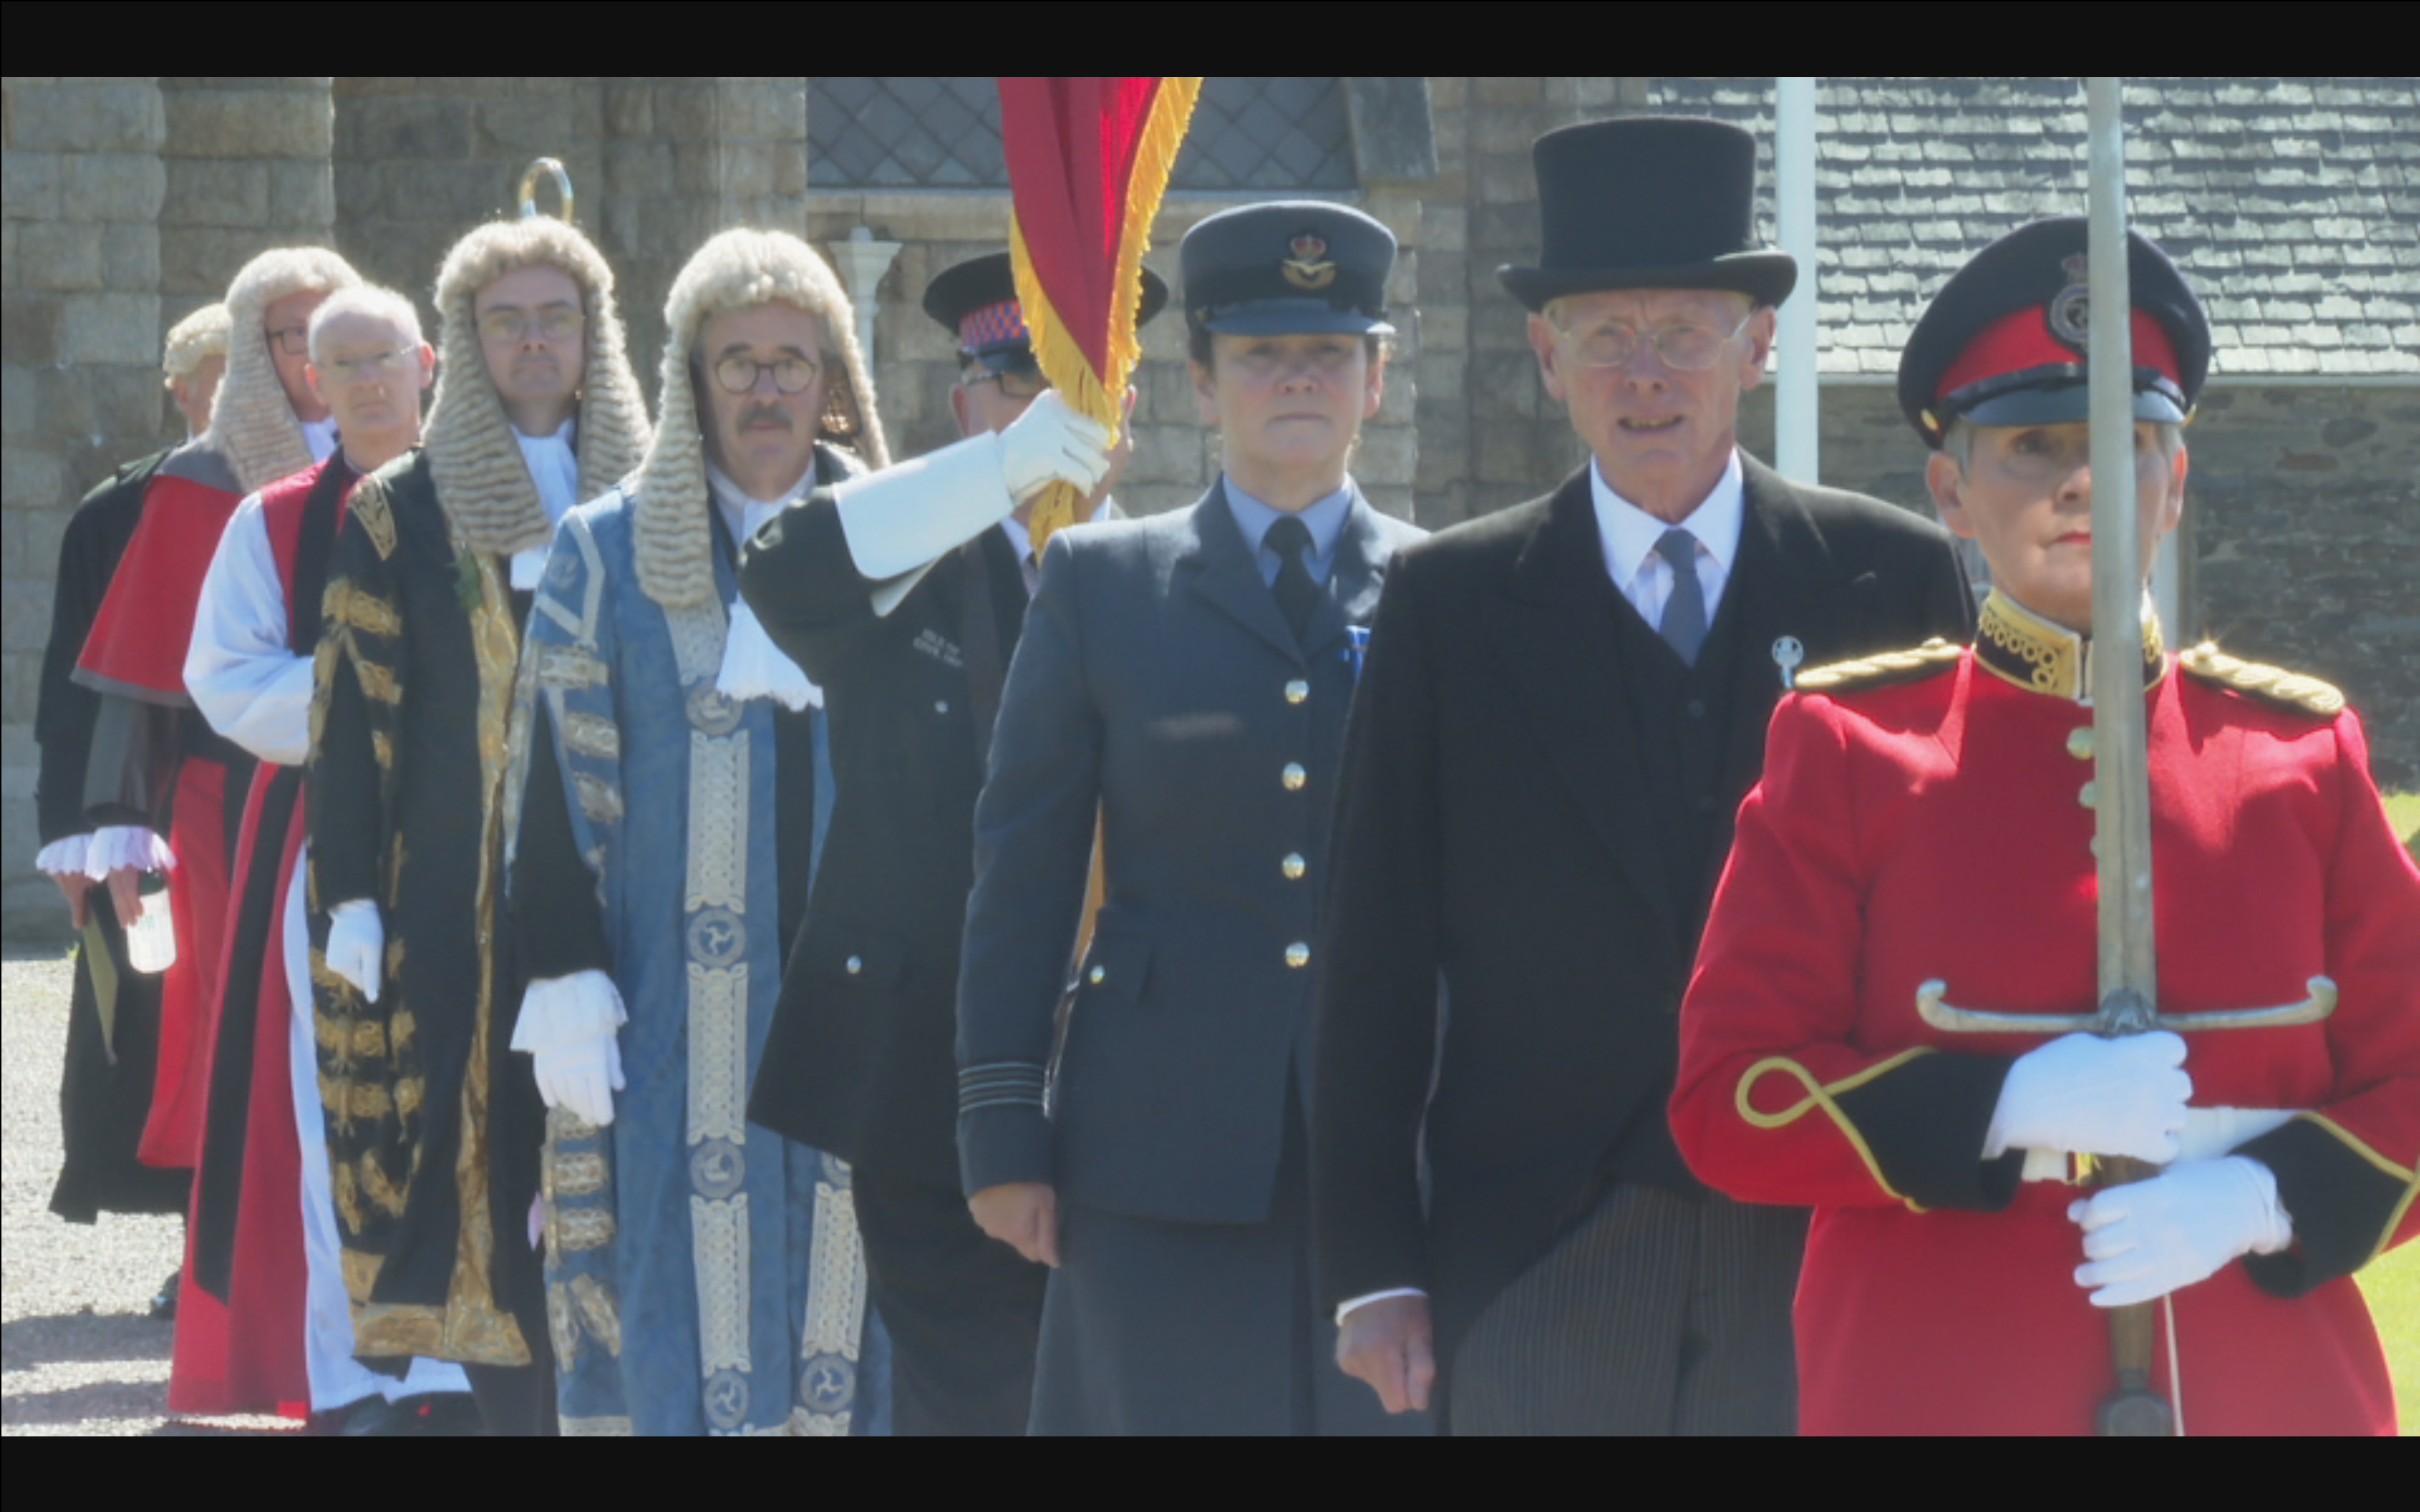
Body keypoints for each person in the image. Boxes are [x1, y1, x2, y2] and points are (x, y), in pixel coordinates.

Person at [1668, 215, 2420, 1436]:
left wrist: (2264, 1199)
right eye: (2030, 446)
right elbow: (1730, 1099)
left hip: (2270, 1393)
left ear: (2175, 484)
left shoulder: (2296, 756)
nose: (2082, 481)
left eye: (2124, 443)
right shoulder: (1855, 752)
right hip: (1941, 1393)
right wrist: (2002, 1110)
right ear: (1950, 492)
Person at [1309, 117, 1978, 1435]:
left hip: (1821, 1218)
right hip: (1541, 1234)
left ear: (1758, 345)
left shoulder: (1888, 579)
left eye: (1685, 329)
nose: (1647, 372)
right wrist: (1375, 1270)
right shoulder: (1448, 601)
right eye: (1605, 334)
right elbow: (1369, 954)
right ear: (1546, 355)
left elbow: (1951, 916)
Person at [951, 202, 1430, 1436]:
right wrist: (1002, 1127)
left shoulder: (1446, 590)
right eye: (1261, 354)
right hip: (1153, 1147)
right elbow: (1025, 868)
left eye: (1329, 353)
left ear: (1376, 380)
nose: (1297, 380)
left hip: (1387, 1146)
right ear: (1202, 384)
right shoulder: (1103, 585)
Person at [736, 249, 1161, 1436]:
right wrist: (1000, 475)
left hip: (1130, 1068)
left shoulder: (1171, 574)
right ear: (964, 403)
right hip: (923, 1070)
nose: (1054, 412)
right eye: (1017, 384)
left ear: (1130, 407)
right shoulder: (908, 567)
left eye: (1085, 383)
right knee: (972, 1399)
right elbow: (784, 569)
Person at [506, 226, 890, 1436]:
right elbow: (547, 775)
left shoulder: (899, 537)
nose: (767, 387)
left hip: (864, 992)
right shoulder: (605, 550)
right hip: (669, 1000)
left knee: (864, 1288)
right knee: (667, 1270)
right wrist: (561, 971)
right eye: (738, 362)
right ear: (691, 377)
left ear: (834, 381)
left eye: (792, 360)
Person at [308, 215, 650, 1434]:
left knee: (635, 1136)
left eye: (556, 316)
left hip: (640, 880)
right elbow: (347, 709)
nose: (534, 340)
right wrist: (350, 887)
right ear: (468, 339)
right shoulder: (403, 507)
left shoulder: (660, 488)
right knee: (495, 1166)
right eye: (507, 320)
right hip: (462, 896)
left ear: (593, 331)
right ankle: (519, 1408)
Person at [183, 284, 478, 1433]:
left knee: (466, 1082)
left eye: (381, 359)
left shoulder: (488, 496)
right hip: (322, 835)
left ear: (427, 362)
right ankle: (354, 1372)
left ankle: (460, 1365)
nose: (361, 382)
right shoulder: (270, 520)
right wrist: (371, 715)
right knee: (333, 1104)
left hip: (474, 826)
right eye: (335, 362)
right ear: (310, 375)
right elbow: (221, 676)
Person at [74, 248, 361, 1415]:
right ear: (253, 352)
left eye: (322, 331)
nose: (306, 356)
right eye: (284, 336)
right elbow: (146, 678)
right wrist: (105, 827)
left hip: (396, 798)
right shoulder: (203, 485)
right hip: (236, 801)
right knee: (240, 1059)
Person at [37, 303, 230, 1270]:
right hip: (139, 818)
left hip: (238, 805)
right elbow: (73, 686)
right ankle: (196, 1248)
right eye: (213, 373)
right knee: (152, 1026)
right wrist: (71, 830)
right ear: (180, 390)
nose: (231, 391)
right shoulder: (115, 511)